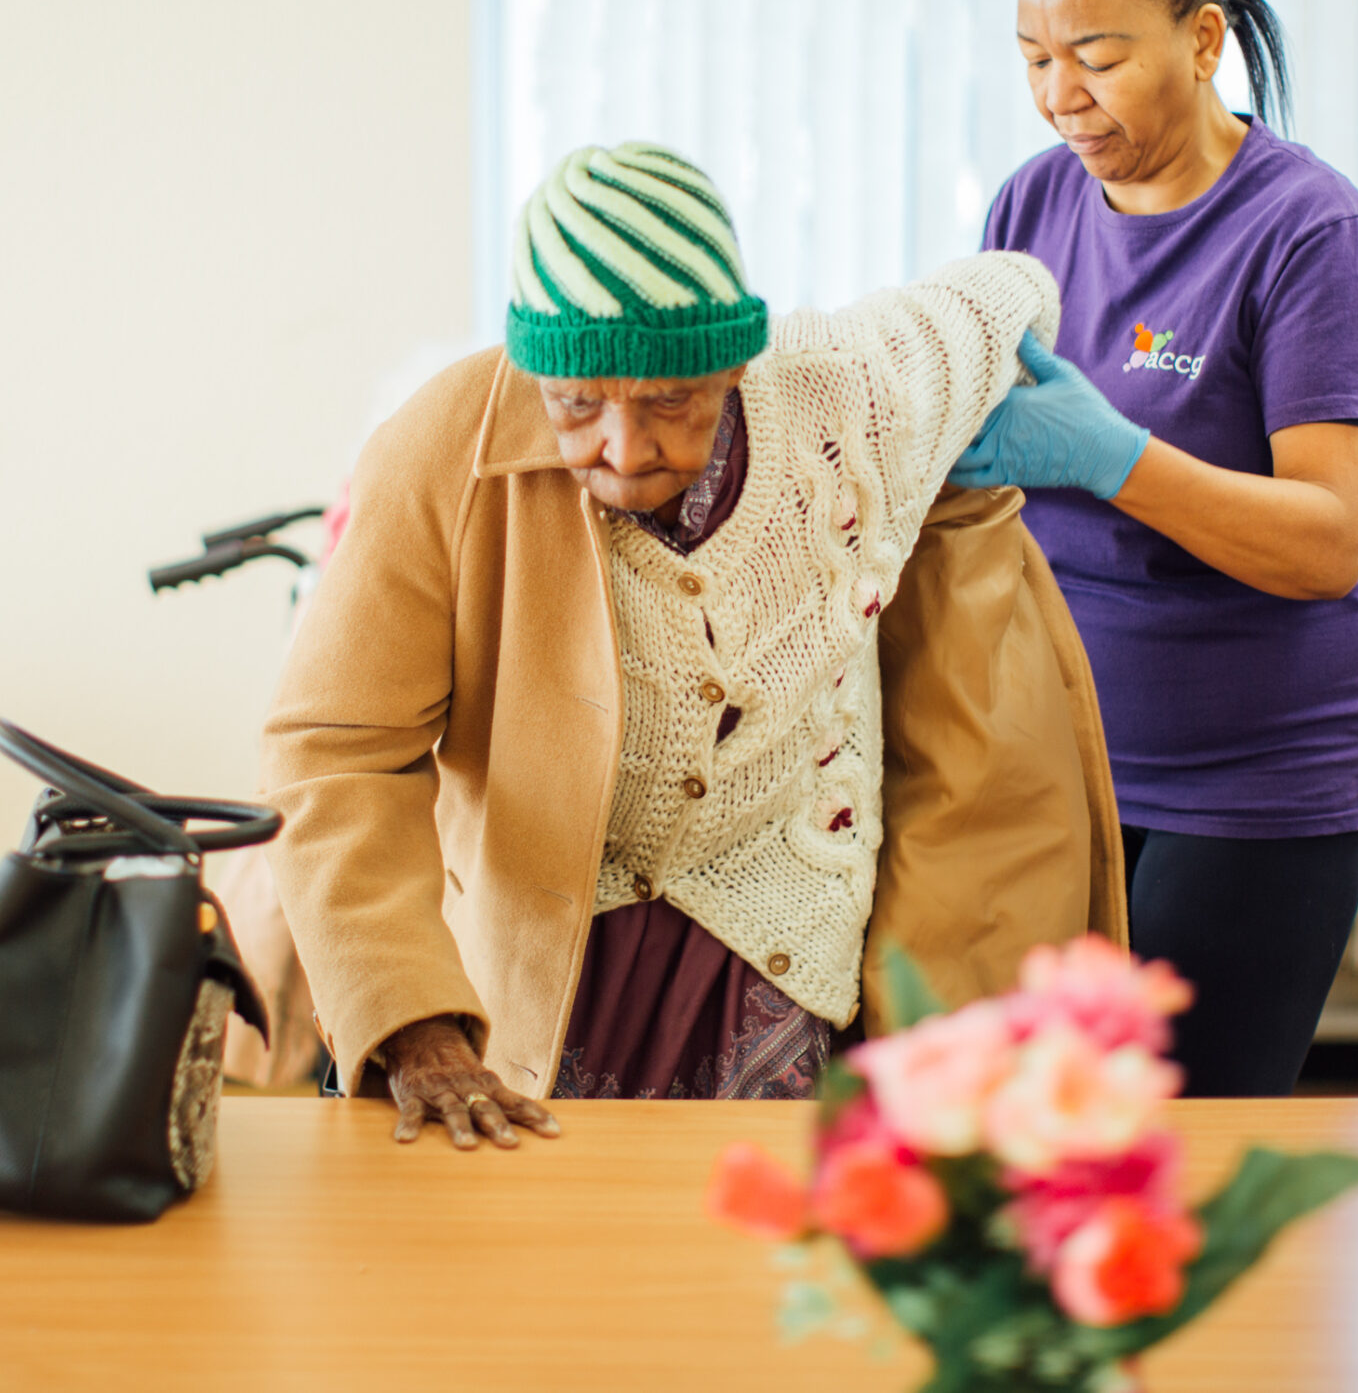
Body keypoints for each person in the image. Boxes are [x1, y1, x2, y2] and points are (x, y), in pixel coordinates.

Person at [262, 142, 1124, 1150]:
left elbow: (1007, 293)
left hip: (781, 939)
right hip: (550, 954)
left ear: (734, 361)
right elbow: (336, 748)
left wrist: (1044, 416)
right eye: (577, 403)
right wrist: (413, 1024)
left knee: (762, 1222)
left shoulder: (845, 391)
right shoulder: (442, 447)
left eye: (672, 401)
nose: (624, 450)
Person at [950, 0, 1358, 1097]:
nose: (1061, 95)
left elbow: (1327, 540)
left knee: (1175, 1113)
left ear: (1203, 40)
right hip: (1074, 737)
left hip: (1263, 748)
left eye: (1097, 57)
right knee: (1054, 1109)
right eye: (1034, 58)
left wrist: (1113, 459)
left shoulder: (1310, 235)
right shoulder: (1032, 202)